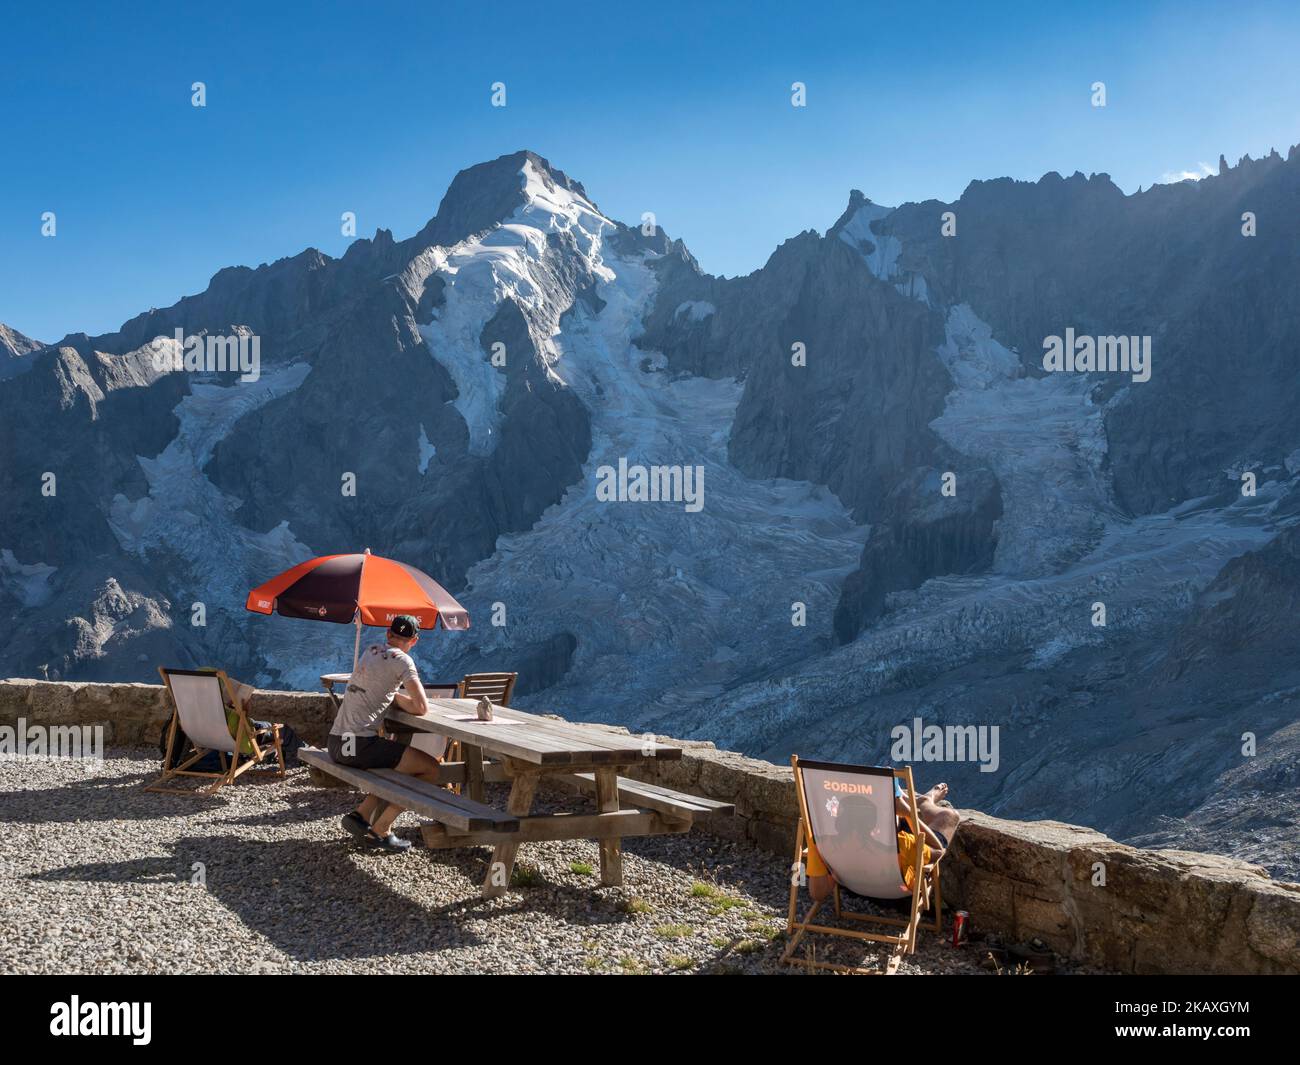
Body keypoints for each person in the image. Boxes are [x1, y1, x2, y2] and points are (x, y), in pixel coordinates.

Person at [327, 615, 441, 851]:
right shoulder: (404, 661)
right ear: (415, 641)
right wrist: (396, 697)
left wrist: (390, 696)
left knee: (399, 766)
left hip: (337, 743)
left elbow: (378, 690)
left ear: (388, 635)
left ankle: (362, 815)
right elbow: (421, 707)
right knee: (430, 768)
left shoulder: (371, 650)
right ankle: (382, 828)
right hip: (359, 746)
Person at [805, 780, 960, 901]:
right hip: (896, 893)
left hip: (851, 887)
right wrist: (907, 814)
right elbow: (938, 850)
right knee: (948, 817)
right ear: (874, 822)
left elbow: (817, 894)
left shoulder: (821, 842)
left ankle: (913, 800)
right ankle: (922, 802)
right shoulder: (899, 845)